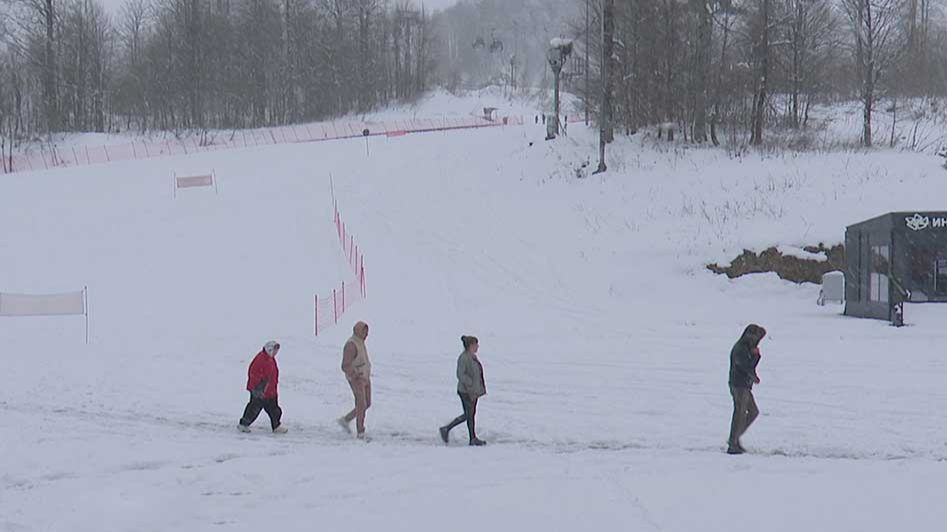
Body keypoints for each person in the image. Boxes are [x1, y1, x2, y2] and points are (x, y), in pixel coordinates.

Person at [439, 335, 487, 446]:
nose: (477, 347)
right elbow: (461, 375)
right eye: (476, 344)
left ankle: (472, 438)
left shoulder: (472, 357)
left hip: (473, 392)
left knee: (470, 415)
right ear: (470, 346)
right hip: (466, 392)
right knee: (468, 415)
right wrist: (470, 386)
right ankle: (447, 429)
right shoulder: (464, 358)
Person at [727, 324, 766, 454]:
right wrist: (755, 360)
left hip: (744, 385)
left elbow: (750, 366)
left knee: (753, 412)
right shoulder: (740, 348)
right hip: (739, 385)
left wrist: (756, 357)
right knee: (740, 413)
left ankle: (734, 438)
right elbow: (745, 366)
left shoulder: (747, 347)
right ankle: (733, 442)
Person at [238, 341, 288, 434]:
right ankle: (243, 424)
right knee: (253, 409)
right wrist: (257, 388)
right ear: (269, 349)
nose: (276, 353)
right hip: (260, 391)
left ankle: (276, 426)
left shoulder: (270, 359)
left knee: (275, 411)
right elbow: (253, 374)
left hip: (270, 392)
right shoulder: (260, 359)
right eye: (275, 350)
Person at [338, 321, 372, 440]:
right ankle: (360, 432)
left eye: (367, 332)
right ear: (358, 331)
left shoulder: (361, 342)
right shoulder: (351, 345)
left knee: (367, 403)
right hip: (357, 379)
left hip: (365, 377)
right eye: (364, 331)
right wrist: (355, 374)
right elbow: (345, 365)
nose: (366, 334)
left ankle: (346, 420)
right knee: (361, 403)